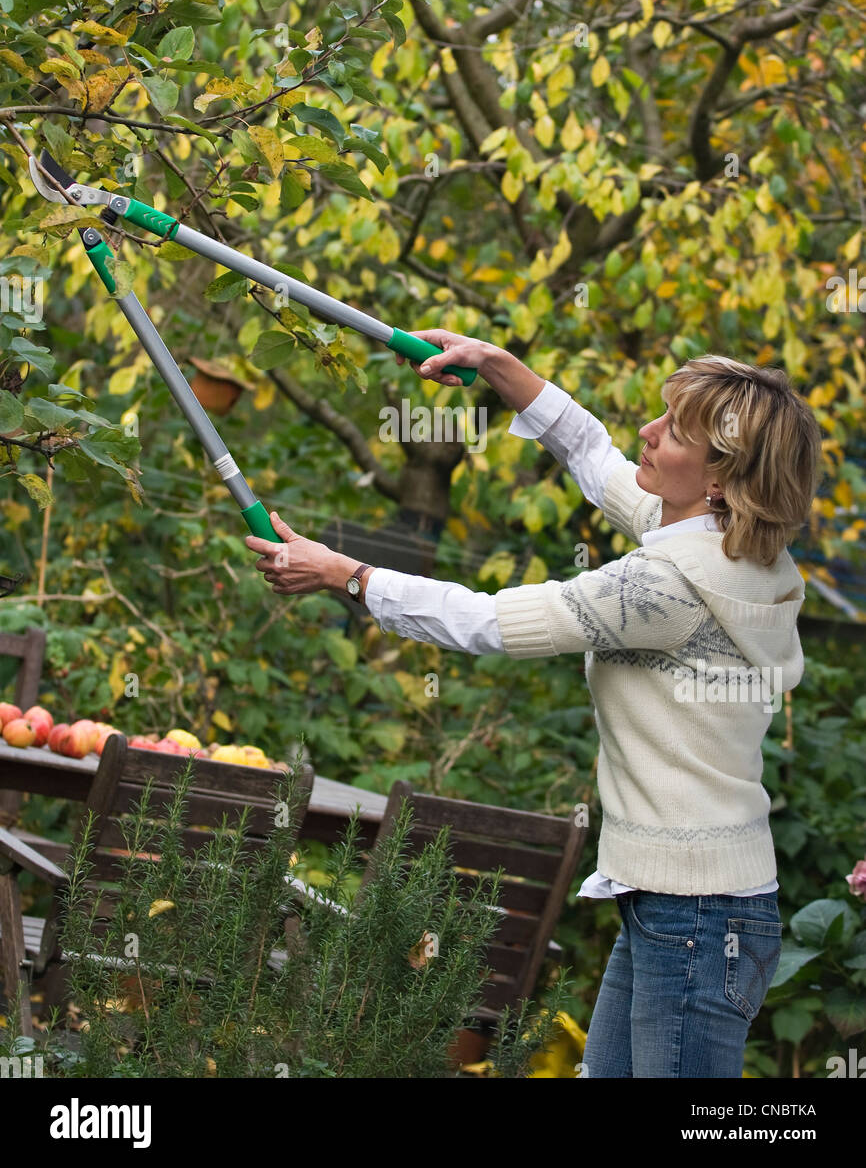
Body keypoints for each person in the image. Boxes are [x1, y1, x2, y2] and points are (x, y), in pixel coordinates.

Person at [244, 331, 824, 1078]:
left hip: (697, 916)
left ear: (721, 478)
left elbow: (487, 621)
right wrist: (495, 365)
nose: (646, 433)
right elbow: (593, 456)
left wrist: (347, 574)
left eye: (673, 431)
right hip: (682, 904)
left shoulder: (670, 585)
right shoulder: (724, 543)